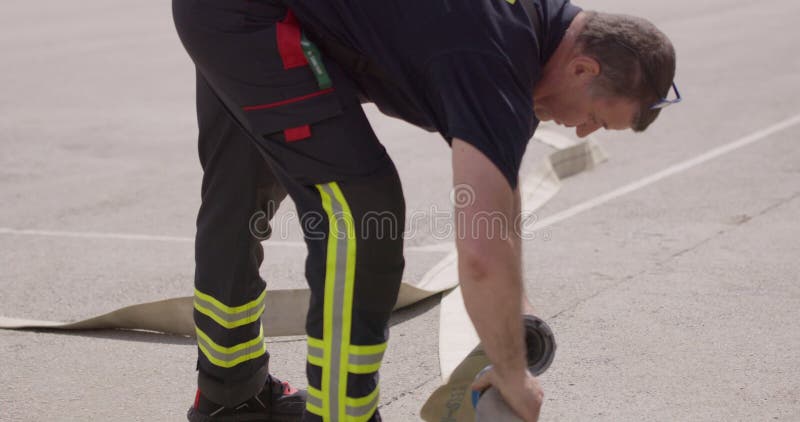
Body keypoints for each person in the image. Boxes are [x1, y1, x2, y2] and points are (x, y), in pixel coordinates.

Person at [171, 0, 677, 420]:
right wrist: (512, 377)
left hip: (237, 13)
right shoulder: (492, 57)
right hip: (247, 16)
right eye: (594, 118)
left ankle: (229, 393)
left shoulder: (532, 32)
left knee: (238, 195)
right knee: (364, 209)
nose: (582, 131)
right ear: (583, 67)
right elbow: (481, 254)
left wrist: (514, 308)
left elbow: (498, 206)